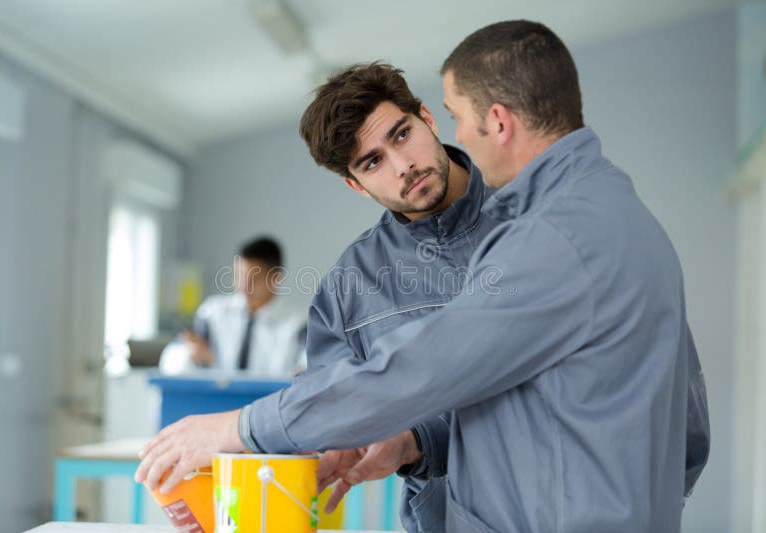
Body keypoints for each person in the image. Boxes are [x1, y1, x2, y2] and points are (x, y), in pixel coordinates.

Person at [137, 21, 711, 532]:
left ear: (428, 119)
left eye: (401, 135)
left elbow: (670, 402)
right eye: (372, 162)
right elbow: (336, 425)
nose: (403, 164)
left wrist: (239, 427)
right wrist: (409, 442)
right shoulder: (347, 290)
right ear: (356, 185)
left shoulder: (542, 232)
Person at [159, 237, 305, 377]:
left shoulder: (300, 322)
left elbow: (309, 366)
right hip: (217, 393)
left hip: (276, 395)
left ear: (276, 278)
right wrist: (190, 355)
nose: (243, 286)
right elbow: (171, 362)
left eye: (254, 279)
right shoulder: (212, 313)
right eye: (239, 276)